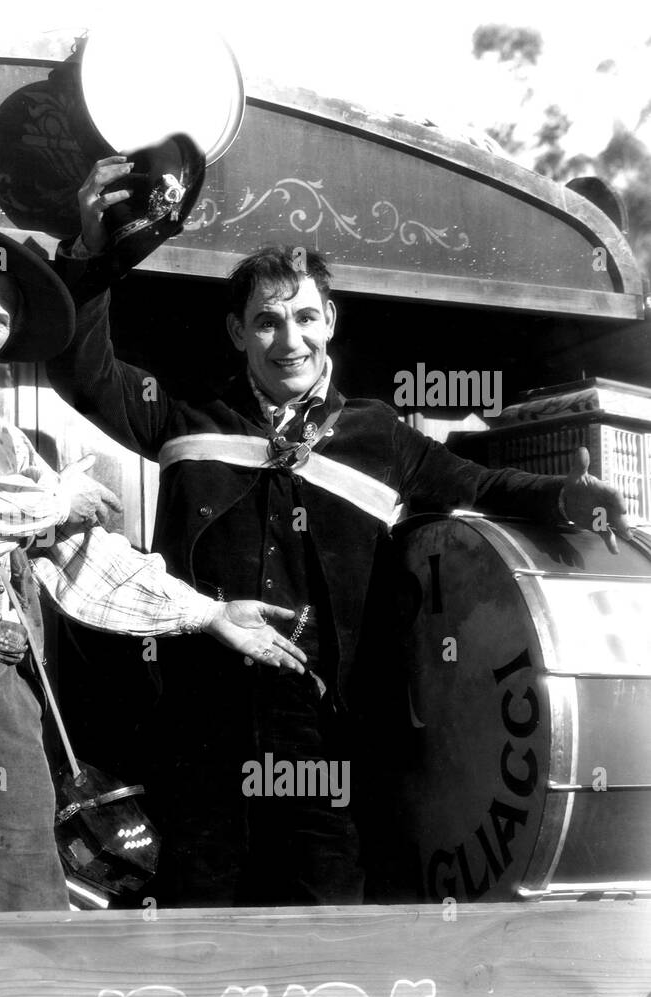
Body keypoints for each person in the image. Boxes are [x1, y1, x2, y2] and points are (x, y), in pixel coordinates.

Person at [45, 156, 632, 907]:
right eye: (266, 320)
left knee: (328, 936)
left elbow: (480, 486)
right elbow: (84, 369)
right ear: (236, 331)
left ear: (331, 322)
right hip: (200, 734)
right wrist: (90, 259)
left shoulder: (378, 436)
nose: (288, 339)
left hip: (325, 743)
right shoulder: (184, 413)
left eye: (305, 317)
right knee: (199, 935)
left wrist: (569, 496)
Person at [0, 221, 306, 916]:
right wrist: (57, 498)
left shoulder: (0, 436)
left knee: (21, 908)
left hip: (0, 686)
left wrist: (207, 612)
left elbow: (83, 552)